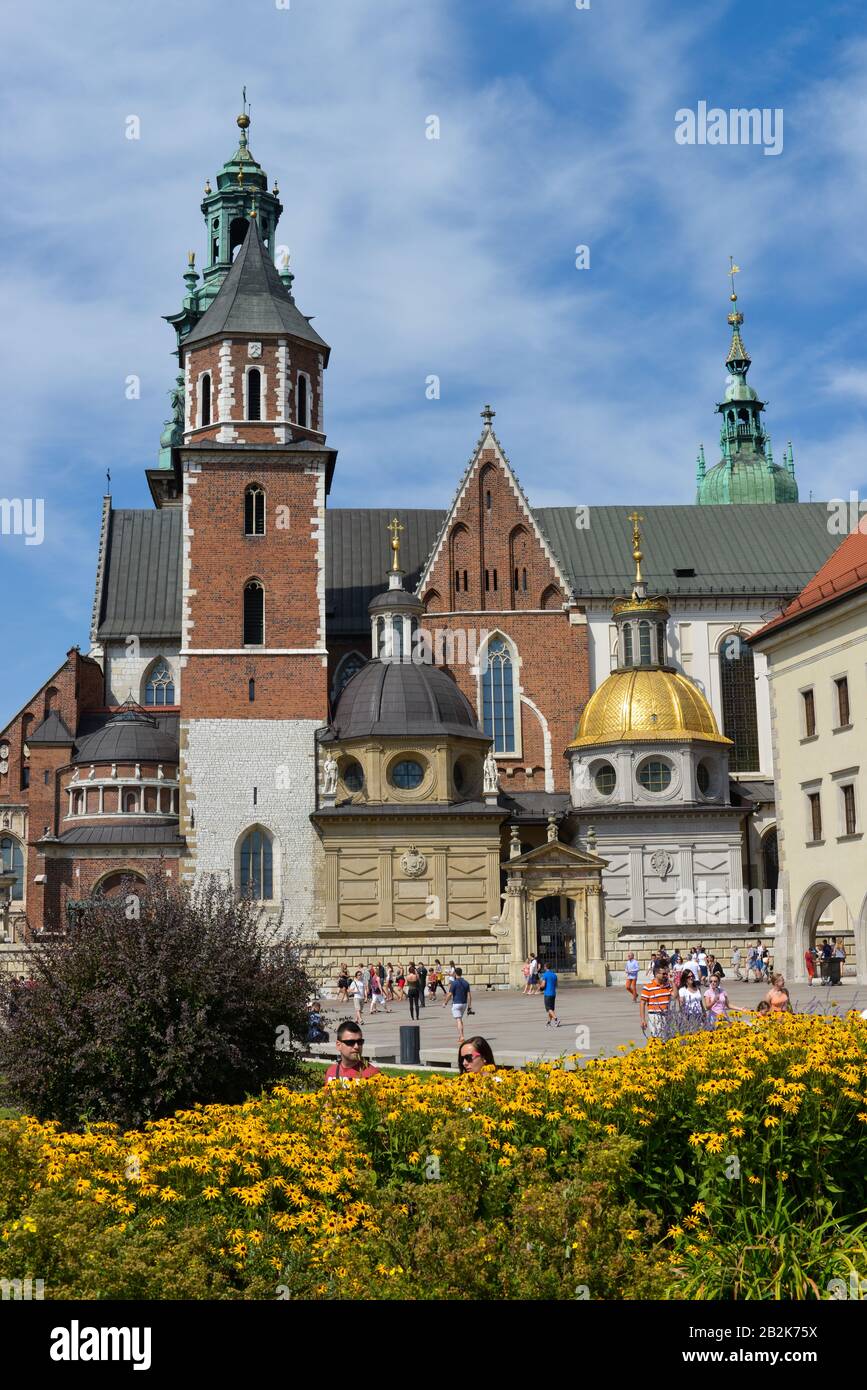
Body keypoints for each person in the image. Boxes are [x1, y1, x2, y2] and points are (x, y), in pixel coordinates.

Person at [640, 963, 673, 1040]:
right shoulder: (648, 987)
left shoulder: (668, 986)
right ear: (657, 974)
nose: (666, 975)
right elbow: (642, 1003)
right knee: (657, 1039)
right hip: (655, 1016)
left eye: (666, 973)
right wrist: (643, 1020)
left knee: (667, 1039)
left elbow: (675, 995)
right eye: (664, 974)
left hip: (667, 1015)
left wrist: (673, 981)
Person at [447, 967, 472, 1042]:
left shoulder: (454, 983)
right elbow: (469, 996)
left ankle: (461, 1036)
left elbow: (450, 994)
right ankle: (461, 1035)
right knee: (460, 1019)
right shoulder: (466, 983)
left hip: (456, 1004)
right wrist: (469, 1006)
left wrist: (445, 1002)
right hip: (464, 1004)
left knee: (458, 1020)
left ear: (455, 973)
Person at [539, 962, 560, 1026]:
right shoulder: (554, 975)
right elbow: (556, 985)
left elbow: (543, 985)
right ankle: (549, 1022)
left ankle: (556, 1019)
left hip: (547, 993)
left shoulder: (545, 975)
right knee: (551, 1009)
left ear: (545, 967)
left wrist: (540, 987)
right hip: (553, 993)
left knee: (548, 1009)